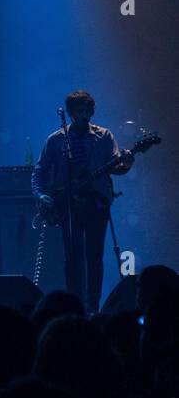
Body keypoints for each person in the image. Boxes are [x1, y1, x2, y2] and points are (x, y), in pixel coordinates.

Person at [31, 89, 134, 312]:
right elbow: (39, 170)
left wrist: (127, 162)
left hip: (96, 203)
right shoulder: (57, 139)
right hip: (67, 204)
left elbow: (116, 168)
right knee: (73, 257)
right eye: (80, 109)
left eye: (88, 109)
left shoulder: (103, 136)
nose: (85, 114)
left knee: (94, 257)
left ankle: (93, 307)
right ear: (70, 113)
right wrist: (41, 194)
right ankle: (74, 307)